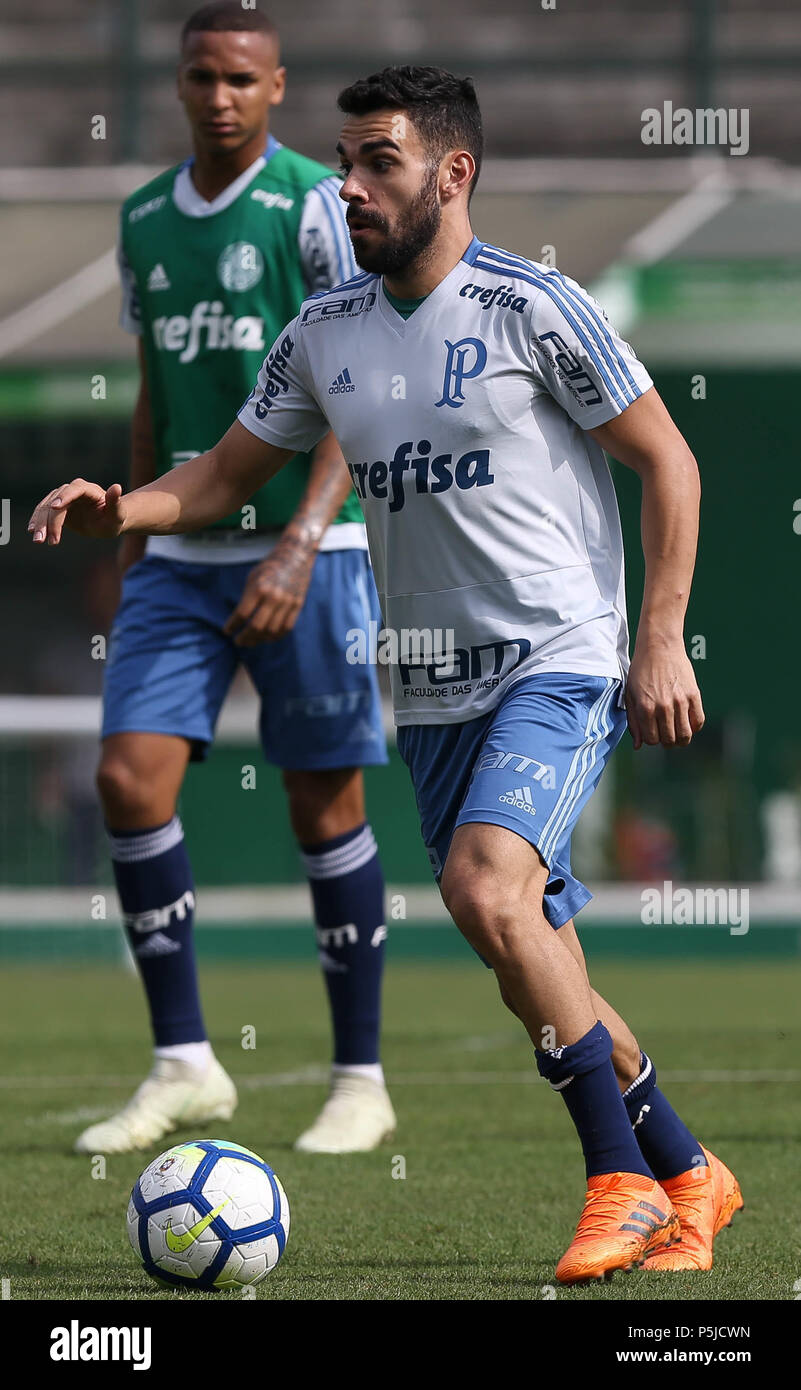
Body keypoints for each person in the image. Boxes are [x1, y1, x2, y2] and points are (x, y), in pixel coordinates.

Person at [31, 65, 743, 1283]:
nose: (349, 187)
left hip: (556, 661)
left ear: (453, 173)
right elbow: (224, 477)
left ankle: (617, 1180)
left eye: (377, 164)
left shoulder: (533, 306)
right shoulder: (325, 332)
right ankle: (687, 1170)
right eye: (346, 162)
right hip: (432, 693)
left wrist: (662, 637)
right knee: (532, 957)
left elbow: (669, 464)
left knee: (484, 887)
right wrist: (126, 504)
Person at [70, 3, 396, 1159]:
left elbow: (357, 377)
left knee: (324, 805)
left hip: (312, 548)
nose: (218, 96)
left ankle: (360, 1079)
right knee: (127, 778)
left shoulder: (316, 202)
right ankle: (184, 1061)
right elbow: (154, 385)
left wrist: (304, 540)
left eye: (240, 80)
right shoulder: (145, 215)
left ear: (275, 88)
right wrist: (130, 525)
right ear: (179, 84)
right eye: (201, 77)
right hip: (179, 547)